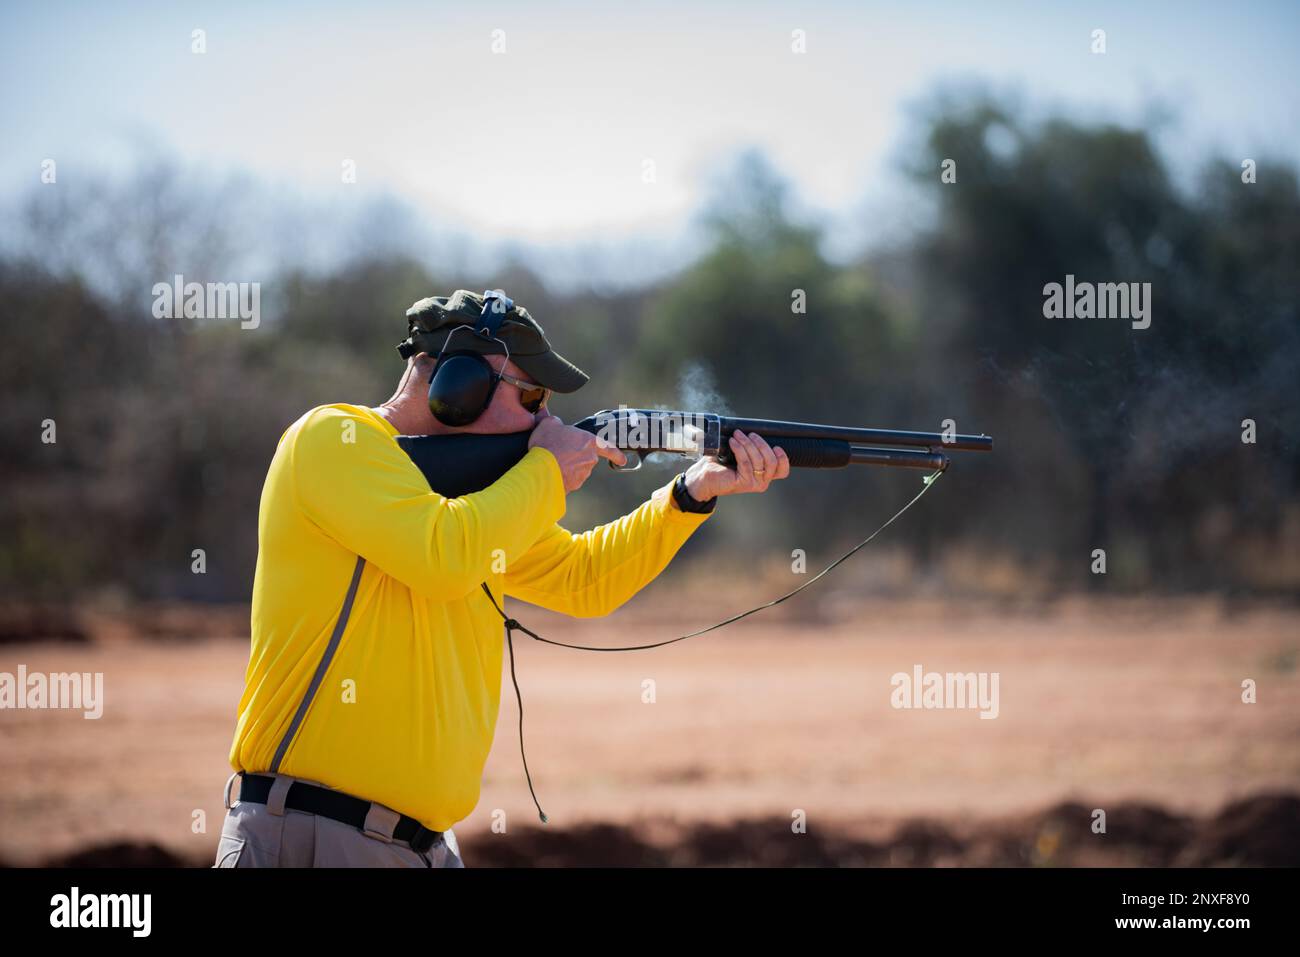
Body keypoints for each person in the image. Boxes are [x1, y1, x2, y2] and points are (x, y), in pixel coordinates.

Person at [214, 289, 789, 867]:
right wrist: (545, 469)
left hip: (419, 847)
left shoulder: (475, 507)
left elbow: (584, 580)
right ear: (459, 386)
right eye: (532, 394)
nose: (546, 417)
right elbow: (444, 557)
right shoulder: (333, 439)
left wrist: (690, 495)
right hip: (316, 834)